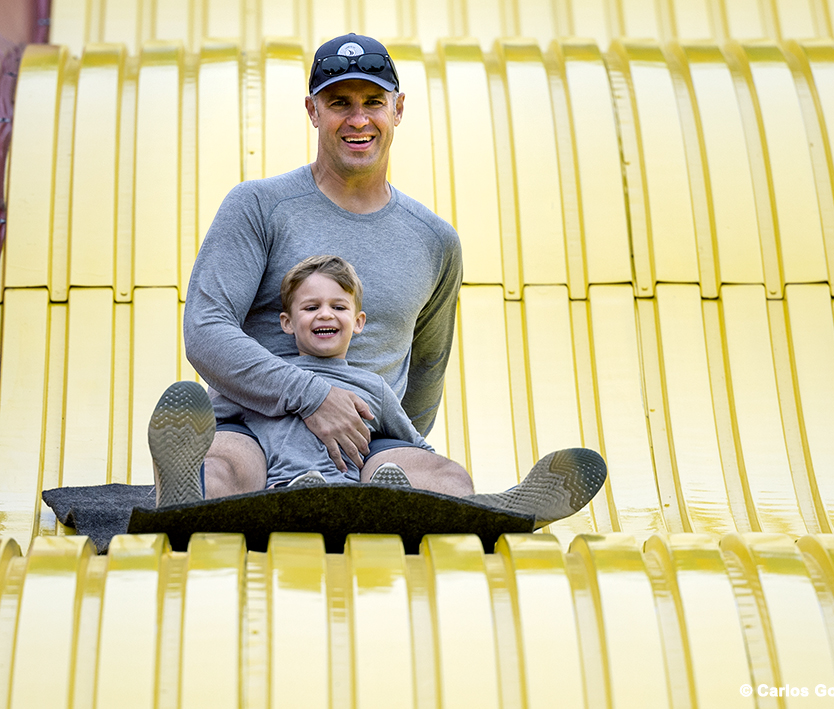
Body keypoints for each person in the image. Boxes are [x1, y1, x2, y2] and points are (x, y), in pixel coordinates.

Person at [146, 32, 607, 528]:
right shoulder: (258, 207)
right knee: (223, 470)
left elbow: (426, 367)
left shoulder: (435, 241)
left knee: (447, 479)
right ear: (312, 111)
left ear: (399, 108)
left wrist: (385, 440)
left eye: (373, 102)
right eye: (339, 103)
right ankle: (185, 492)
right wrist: (313, 397)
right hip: (253, 424)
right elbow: (206, 329)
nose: (358, 119)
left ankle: (488, 510)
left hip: (363, 440)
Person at [213, 254, 434, 489]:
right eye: (311, 307)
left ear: (358, 322)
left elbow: (416, 445)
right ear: (287, 322)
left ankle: (386, 495)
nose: (326, 314)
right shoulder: (269, 382)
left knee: (385, 474)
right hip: (280, 487)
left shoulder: (373, 387)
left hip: (350, 491)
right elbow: (214, 419)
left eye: (338, 307)